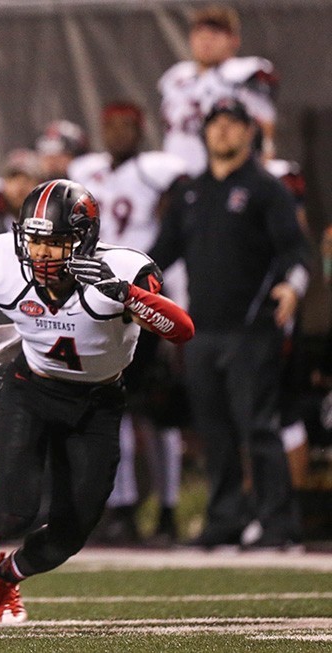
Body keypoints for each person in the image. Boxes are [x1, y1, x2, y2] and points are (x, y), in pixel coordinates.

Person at [0, 179, 194, 623]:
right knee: (13, 514)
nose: (42, 253)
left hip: (97, 403)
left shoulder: (123, 270)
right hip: (31, 389)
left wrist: (129, 296)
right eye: (35, 241)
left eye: (56, 242)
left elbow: (181, 329)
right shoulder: (6, 261)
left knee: (72, 532)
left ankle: (7, 576)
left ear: (84, 240)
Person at [149, 97, 309, 549]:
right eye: (214, 123)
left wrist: (293, 287)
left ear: (249, 131)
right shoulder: (191, 192)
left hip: (252, 327)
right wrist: (128, 285)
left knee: (257, 426)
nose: (222, 131)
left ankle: (278, 524)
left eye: (232, 123)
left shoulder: (265, 188)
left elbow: (297, 250)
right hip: (201, 330)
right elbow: (160, 254)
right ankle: (225, 520)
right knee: (213, 429)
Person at [68, 101, 189, 544]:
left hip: (145, 296)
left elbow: (180, 201)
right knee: (111, 406)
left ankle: (170, 508)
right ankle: (121, 506)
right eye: (109, 126)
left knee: (159, 412)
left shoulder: (157, 170)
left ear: (140, 131)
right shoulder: (88, 170)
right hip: (101, 304)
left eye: (125, 126)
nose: (116, 134)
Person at [158, 4, 278, 175]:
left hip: (225, 176)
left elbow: (265, 127)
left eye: (214, 34)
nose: (206, 41)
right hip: (178, 176)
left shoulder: (243, 74)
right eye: (200, 34)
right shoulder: (175, 77)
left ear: (234, 40)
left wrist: (264, 163)